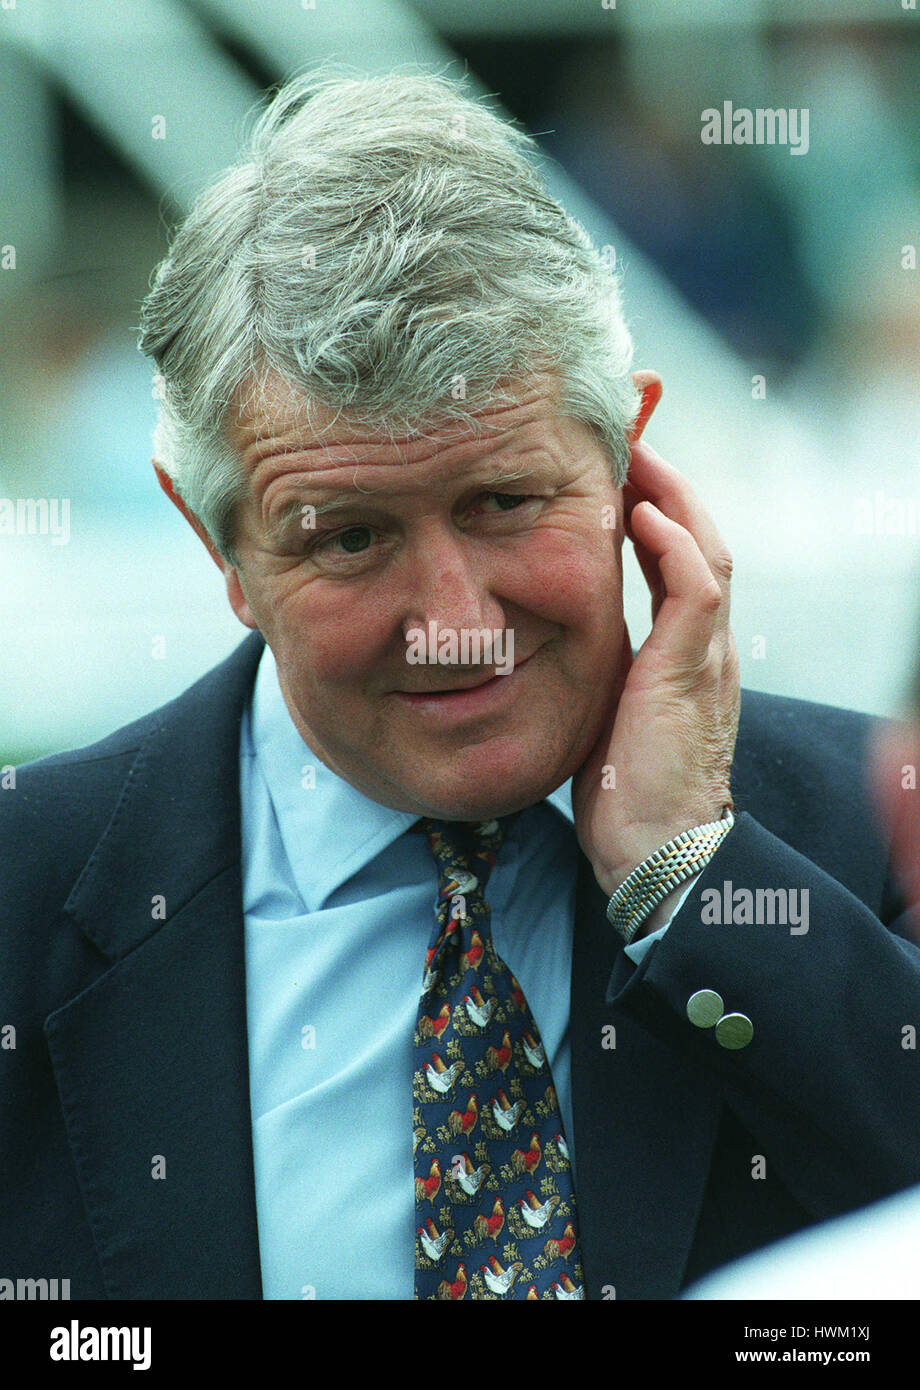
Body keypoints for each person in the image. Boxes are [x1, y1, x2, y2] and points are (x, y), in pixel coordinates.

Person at [2, 69, 919, 1302]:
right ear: (218, 546)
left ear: (629, 457)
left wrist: (685, 880)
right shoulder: (27, 894)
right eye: (347, 538)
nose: (449, 626)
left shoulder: (876, 838)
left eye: (503, 502)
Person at [684, 646, 920, 1300]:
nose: (456, 623)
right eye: (364, 539)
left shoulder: (867, 805)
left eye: (498, 532)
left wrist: (680, 868)